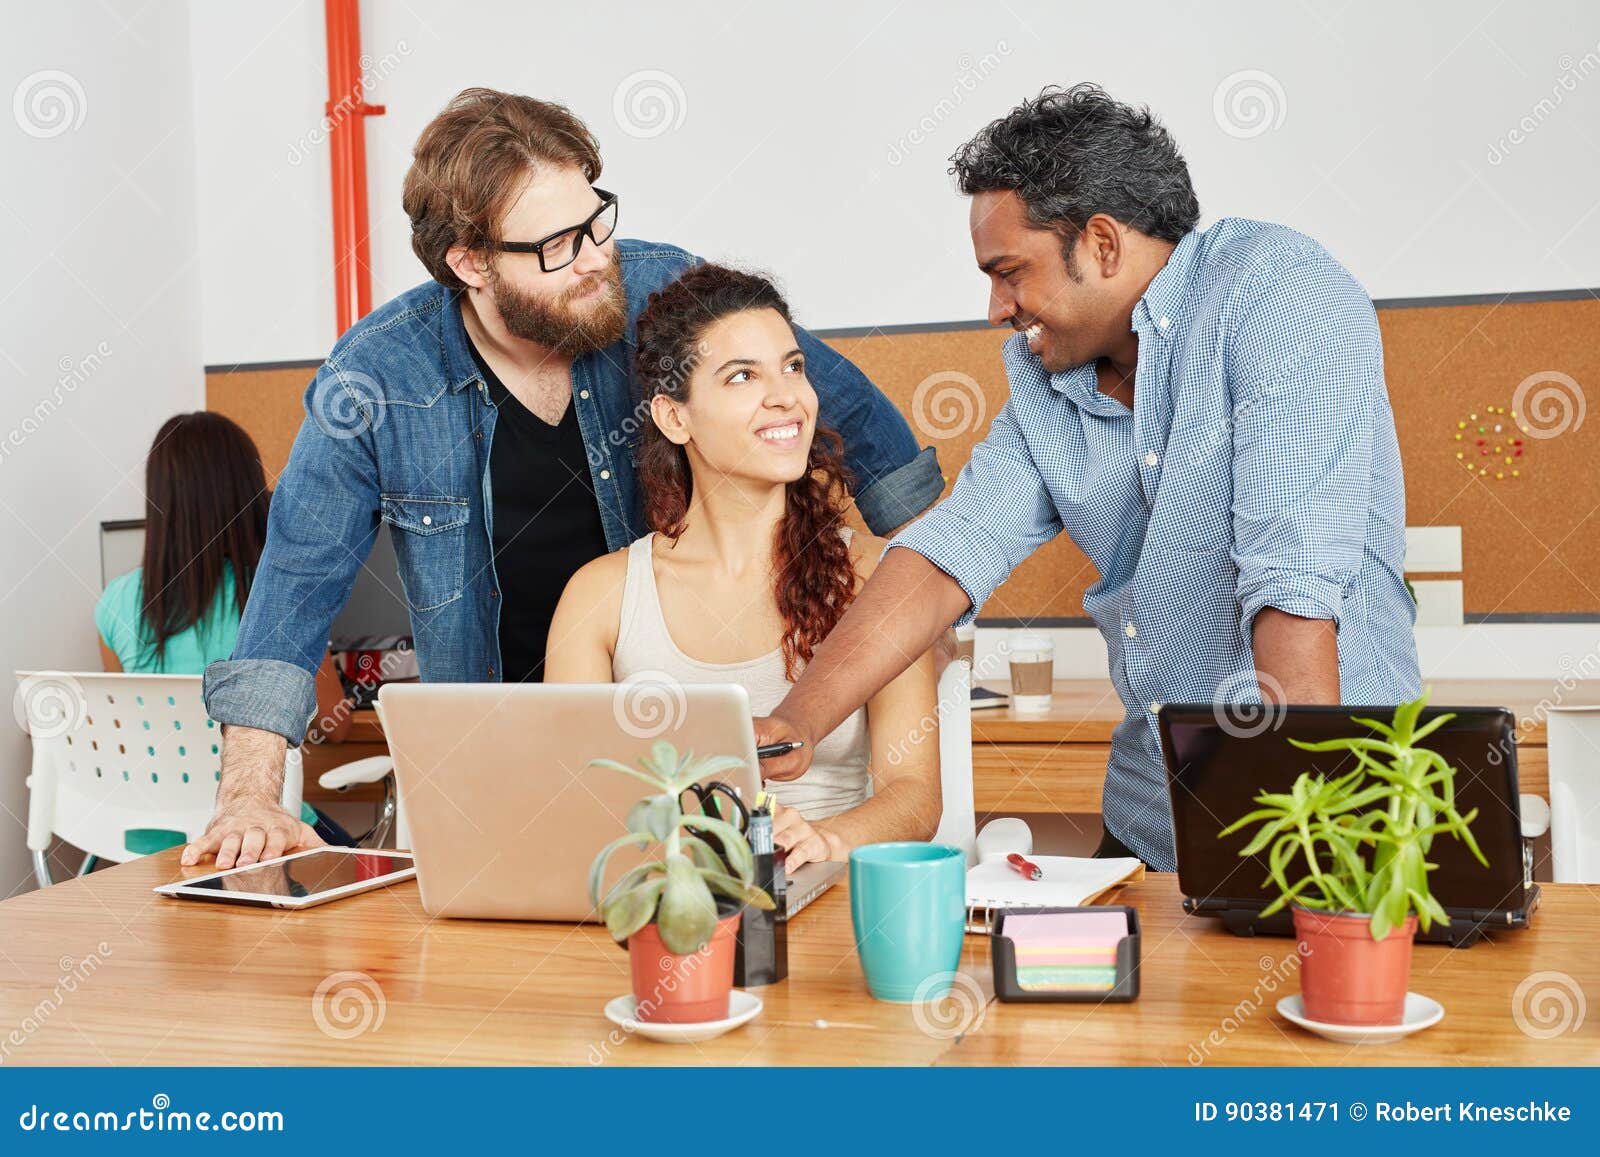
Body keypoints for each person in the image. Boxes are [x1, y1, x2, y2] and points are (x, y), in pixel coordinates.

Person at [187, 88, 943, 870]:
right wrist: (251, 790)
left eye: (597, 221)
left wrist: (925, 617)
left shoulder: (657, 291)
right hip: (481, 756)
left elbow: (848, 415)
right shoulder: (375, 378)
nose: (595, 259)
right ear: (471, 262)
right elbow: (295, 582)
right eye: (558, 245)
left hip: (642, 746)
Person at [755, 84, 1422, 871]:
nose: (997, 307)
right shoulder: (1046, 379)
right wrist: (793, 725)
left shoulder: (1278, 294)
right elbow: (950, 552)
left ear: (1102, 244)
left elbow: (1294, 586)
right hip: (1154, 818)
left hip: (1323, 801)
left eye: (1010, 272)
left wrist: (1312, 836)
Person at [546, 266, 941, 870]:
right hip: (664, 900)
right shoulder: (599, 596)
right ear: (674, 418)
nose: (785, 395)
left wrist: (824, 839)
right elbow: (573, 799)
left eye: (793, 367)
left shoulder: (881, 578)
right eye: (741, 376)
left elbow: (913, 796)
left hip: (830, 893)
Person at [95, 412, 351, 846]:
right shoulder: (277, 598)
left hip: (143, 843)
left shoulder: (114, 603)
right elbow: (335, 724)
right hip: (254, 838)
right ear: (248, 492)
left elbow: (124, 731)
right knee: (364, 867)